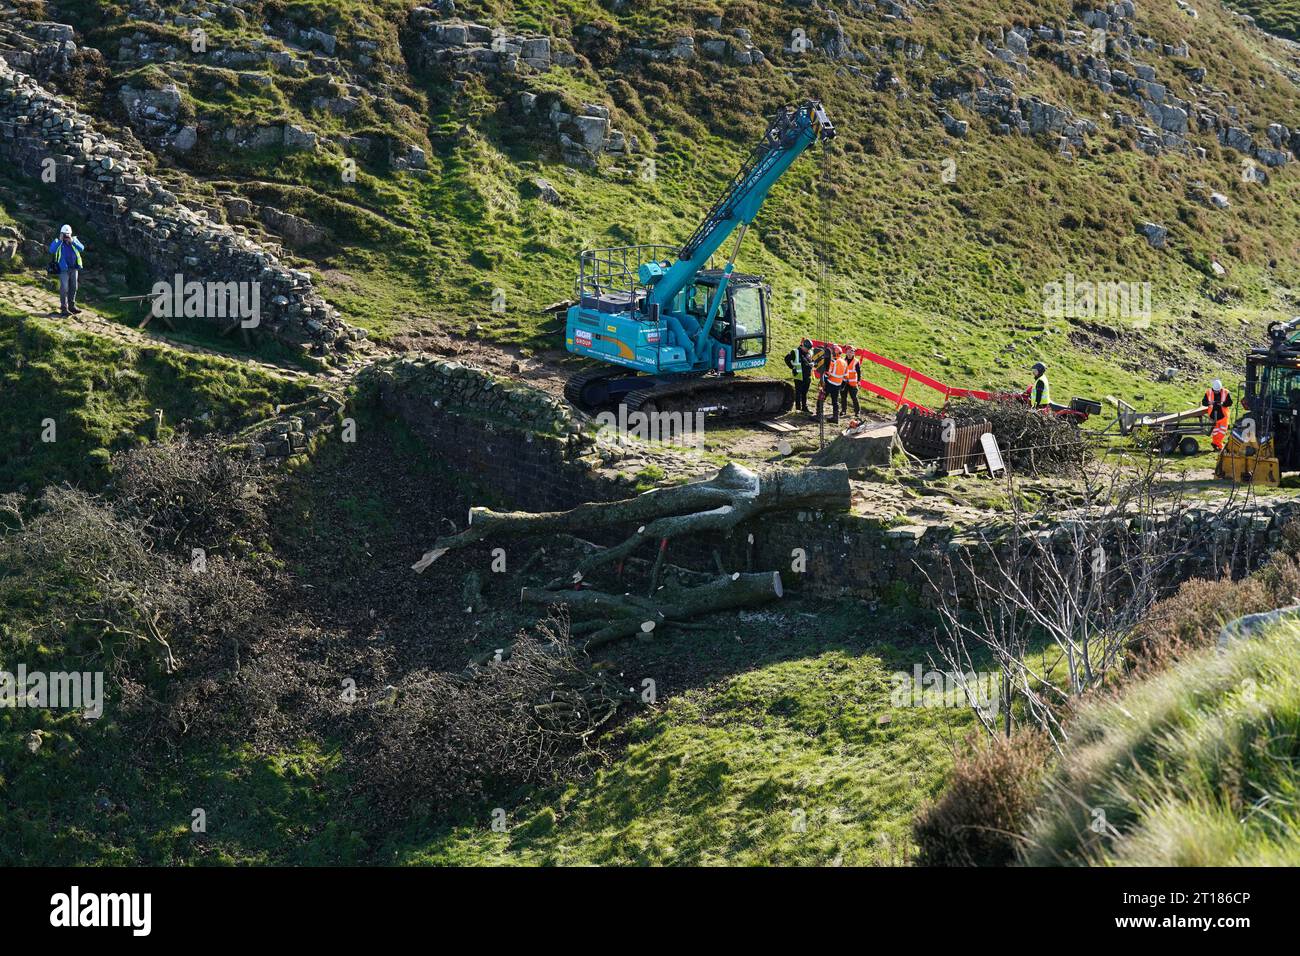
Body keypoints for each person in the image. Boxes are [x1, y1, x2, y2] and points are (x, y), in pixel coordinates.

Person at [49, 225, 84, 317]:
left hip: (74, 268)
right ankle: (64, 308)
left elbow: (82, 248)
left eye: (67, 234)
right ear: (61, 233)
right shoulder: (57, 241)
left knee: (74, 287)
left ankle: (72, 306)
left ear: (70, 234)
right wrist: (60, 240)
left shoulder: (74, 240)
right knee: (64, 288)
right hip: (63, 269)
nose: (66, 236)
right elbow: (52, 250)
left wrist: (72, 242)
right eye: (64, 234)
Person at [784, 338, 814, 413]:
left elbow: (811, 360)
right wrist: (792, 367)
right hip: (799, 376)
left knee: (805, 393)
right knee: (798, 393)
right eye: (807, 349)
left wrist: (812, 364)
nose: (807, 350)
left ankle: (804, 407)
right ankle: (798, 408)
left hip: (807, 376)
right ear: (803, 346)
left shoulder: (809, 352)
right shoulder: (795, 352)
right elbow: (787, 358)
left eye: (809, 349)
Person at [1202, 378, 1232, 451]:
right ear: (1213, 388)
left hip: (1223, 416)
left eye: (1218, 391)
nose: (1217, 392)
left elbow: (1230, 403)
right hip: (1212, 416)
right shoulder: (1208, 392)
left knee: (1222, 432)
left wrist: (1223, 404)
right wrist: (1209, 403)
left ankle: (1217, 444)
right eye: (1215, 391)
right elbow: (1204, 402)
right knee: (1215, 433)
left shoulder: (1226, 392)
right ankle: (1217, 445)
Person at [843, 345, 861, 416]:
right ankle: (843, 411)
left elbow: (859, 372)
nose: (849, 353)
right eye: (848, 352)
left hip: (853, 383)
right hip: (845, 382)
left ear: (853, 353)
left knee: (854, 398)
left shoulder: (856, 362)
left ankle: (857, 412)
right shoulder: (843, 361)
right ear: (846, 353)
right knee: (843, 397)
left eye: (851, 352)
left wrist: (859, 381)